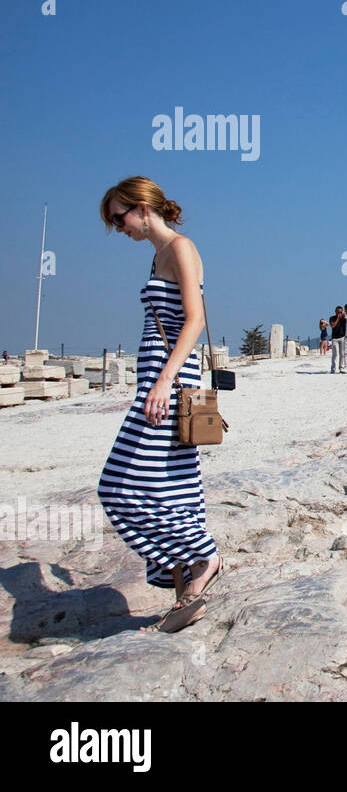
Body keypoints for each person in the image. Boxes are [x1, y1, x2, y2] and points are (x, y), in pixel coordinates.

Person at [97, 176, 222, 634]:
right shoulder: (157, 256)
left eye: (119, 216)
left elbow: (196, 319)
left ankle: (205, 556)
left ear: (142, 208)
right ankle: (186, 593)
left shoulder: (181, 248)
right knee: (173, 482)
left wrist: (165, 380)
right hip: (155, 381)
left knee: (117, 486)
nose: (117, 227)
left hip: (168, 383)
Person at [329, 305, 347, 373]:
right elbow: (333, 326)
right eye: (338, 312)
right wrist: (338, 319)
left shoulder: (344, 319)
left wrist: (344, 317)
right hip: (335, 338)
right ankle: (333, 369)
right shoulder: (332, 318)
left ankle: (341, 368)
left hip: (342, 337)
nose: (339, 313)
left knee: (342, 354)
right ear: (335, 312)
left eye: (340, 312)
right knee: (335, 354)